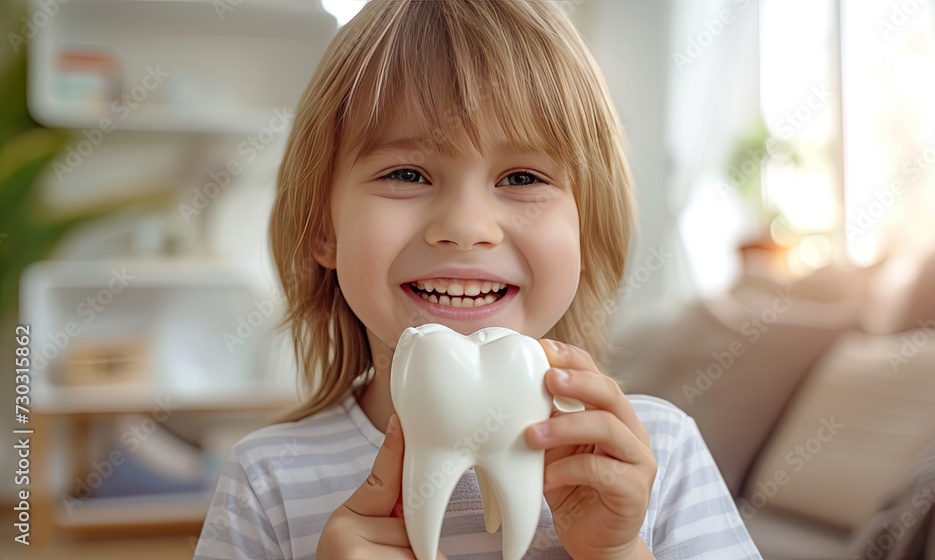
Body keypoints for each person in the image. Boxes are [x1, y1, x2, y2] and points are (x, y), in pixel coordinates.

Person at [193, 1, 761, 558]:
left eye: (521, 176)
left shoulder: (655, 454)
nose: (466, 228)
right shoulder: (268, 480)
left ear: (586, 231)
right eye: (407, 173)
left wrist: (617, 554)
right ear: (325, 230)